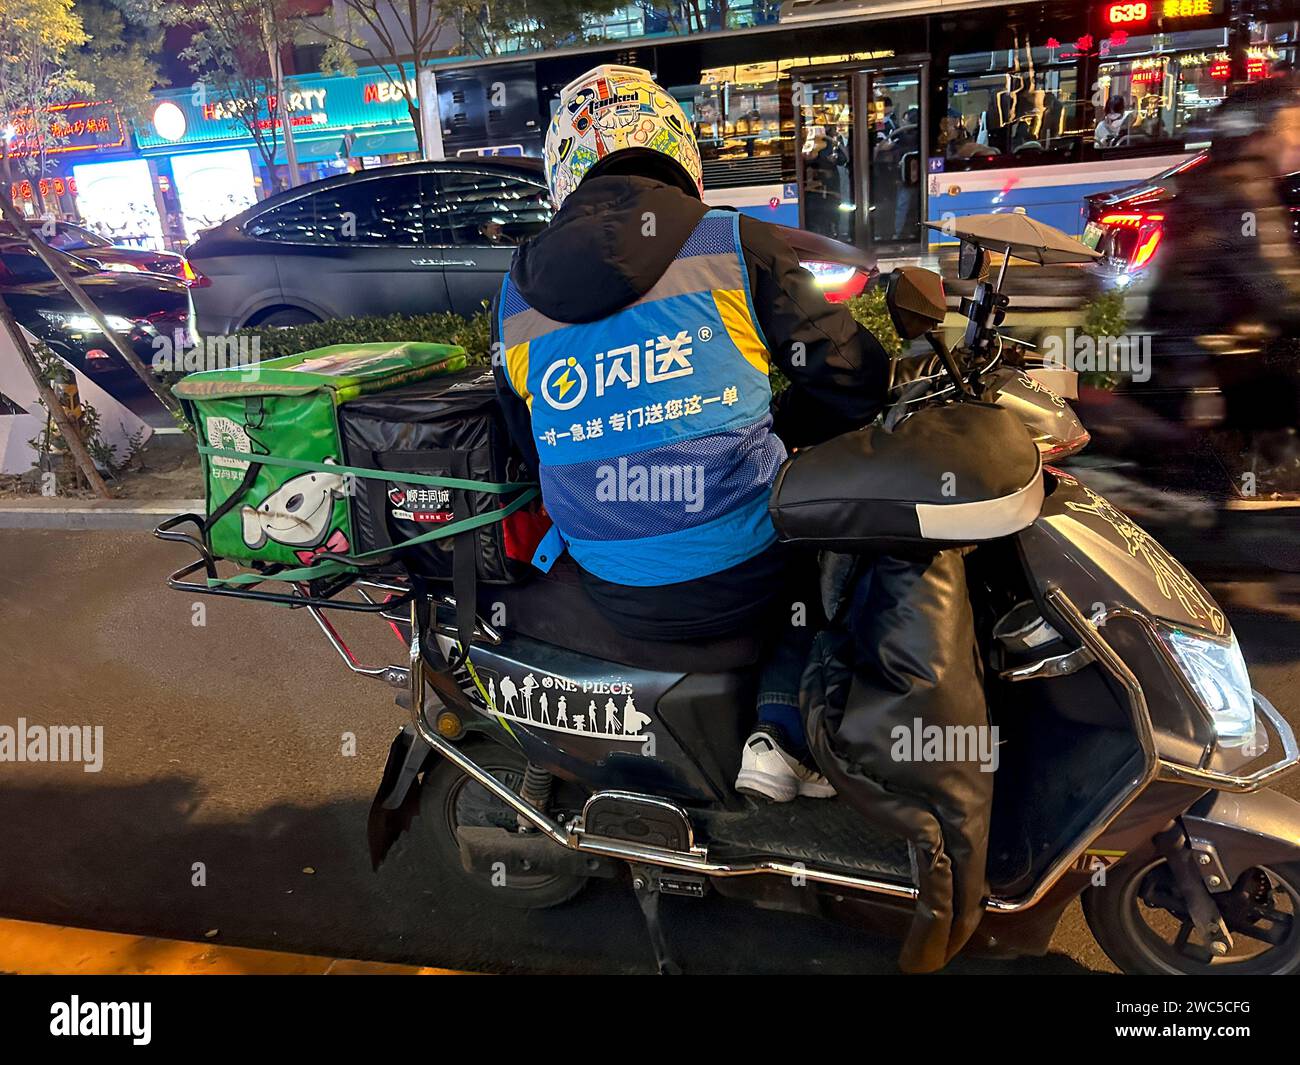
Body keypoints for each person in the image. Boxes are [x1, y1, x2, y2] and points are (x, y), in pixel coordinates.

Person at [491, 65, 891, 802]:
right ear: (678, 149)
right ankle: (781, 733)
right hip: (748, 571)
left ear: (563, 172)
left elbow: (524, 440)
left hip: (611, 581)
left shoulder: (514, 297)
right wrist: (782, 433)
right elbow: (853, 379)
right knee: (842, 559)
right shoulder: (734, 242)